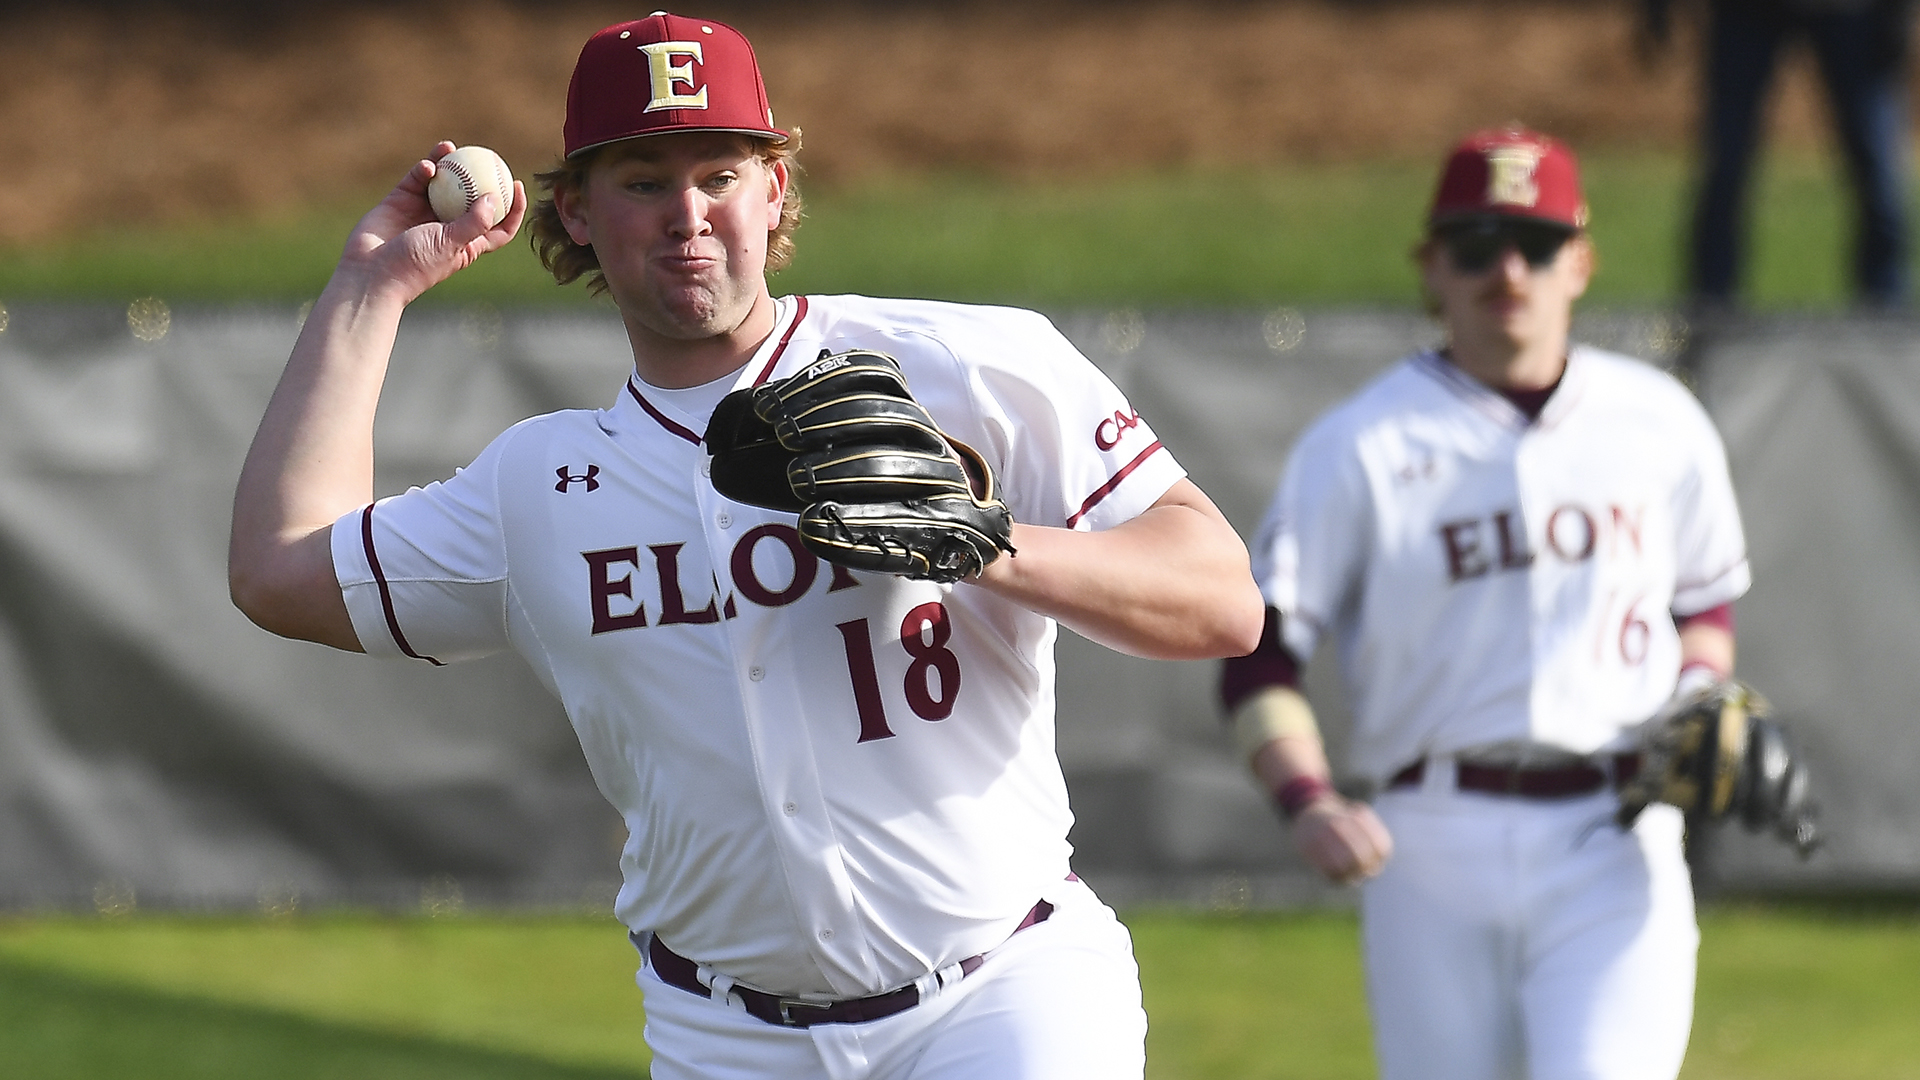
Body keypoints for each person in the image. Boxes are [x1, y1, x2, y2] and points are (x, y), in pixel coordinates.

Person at [227, 12, 1263, 1080]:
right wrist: (369, 285)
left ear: (776, 191)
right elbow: (281, 569)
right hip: (722, 1036)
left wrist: (985, 544)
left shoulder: (961, 365)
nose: (689, 214)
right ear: (575, 213)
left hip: (1003, 998)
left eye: (721, 173)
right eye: (642, 179)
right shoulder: (535, 488)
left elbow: (1222, 600)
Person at [1218, 127, 1751, 1080]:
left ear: (1580, 262)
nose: (1509, 270)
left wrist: (1704, 693)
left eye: (1538, 244)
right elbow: (1259, 651)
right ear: (1431, 266)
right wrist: (1306, 800)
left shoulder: (1659, 420)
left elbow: (1703, 609)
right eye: (1475, 244)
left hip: (1616, 832)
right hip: (1430, 843)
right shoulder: (1361, 443)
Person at [1642, 0, 1913, 307]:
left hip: (1849, 12)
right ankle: (1709, 306)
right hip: (1749, 12)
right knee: (1726, 160)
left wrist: (1898, 12)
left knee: (1874, 159)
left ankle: (1886, 307)